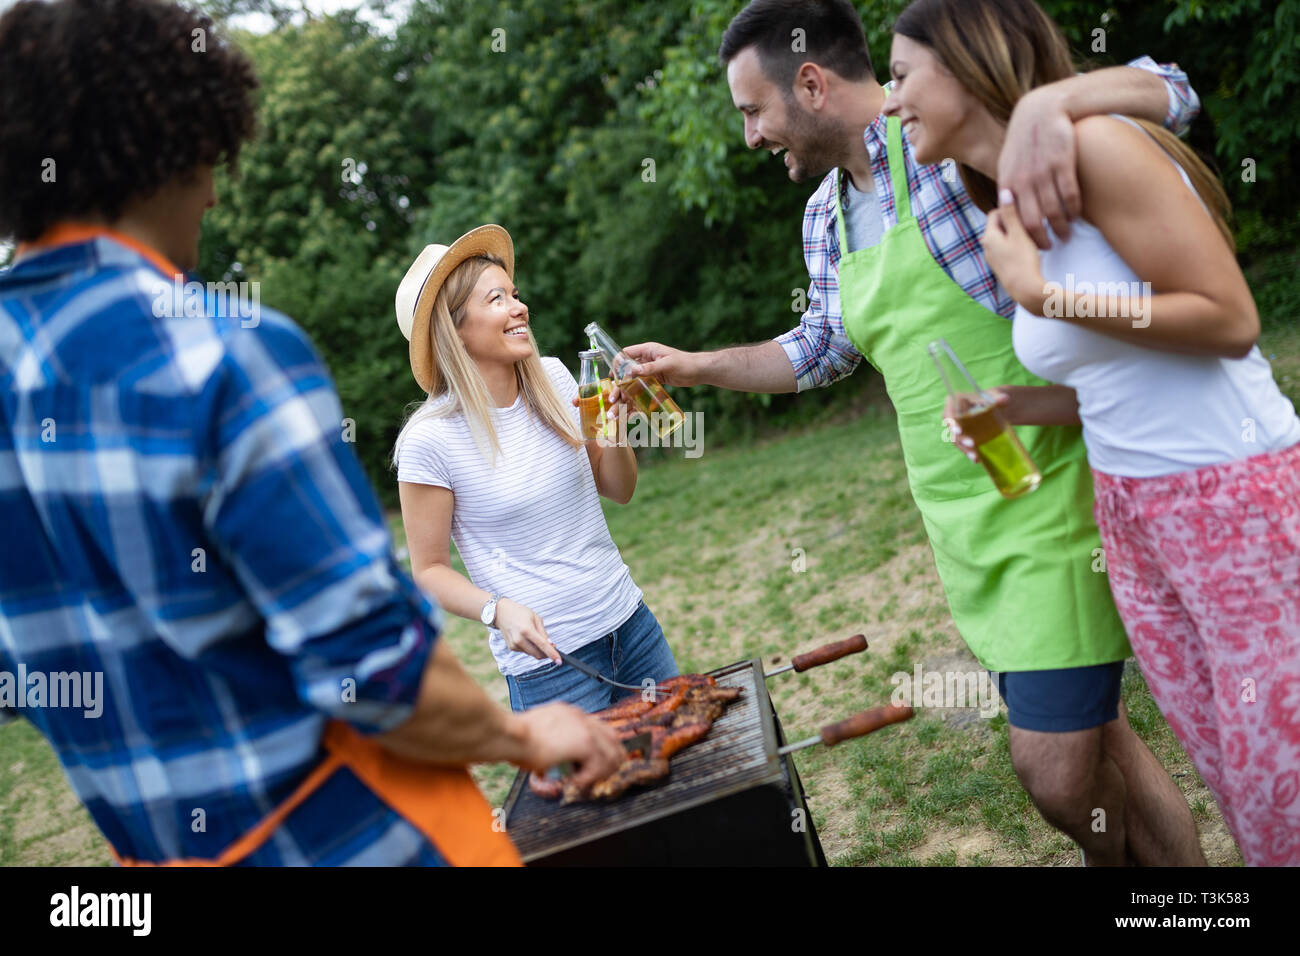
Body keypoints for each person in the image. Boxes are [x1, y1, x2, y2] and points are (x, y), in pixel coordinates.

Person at [0, 0, 622, 867]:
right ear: (172, 139)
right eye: (212, 158)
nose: (215, 192)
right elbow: (372, 668)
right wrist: (521, 734)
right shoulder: (220, 351)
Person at [624, 0, 1207, 864]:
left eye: (754, 110)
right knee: (1105, 739)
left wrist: (1051, 108)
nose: (750, 135)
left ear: (811, 83)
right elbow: (822, 347)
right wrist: (696, 366)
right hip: (964, 524)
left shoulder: (939, 142)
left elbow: (1172, 92)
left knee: (1053, 771)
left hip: (1052, 495)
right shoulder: (824, 217)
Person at [885, 0, 1300, 866]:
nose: (890, 103)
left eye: (900, 76)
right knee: (1239, 785)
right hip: (1137, 517)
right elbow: (1121, 376)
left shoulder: (1098, 145)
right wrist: (1022, 405)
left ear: (965, 65)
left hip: (1232, 501)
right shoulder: (1012, 203)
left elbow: (1226, 319)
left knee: (1282, 790)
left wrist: (1043, 298)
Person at [393, 227, 678, 713]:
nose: (519, 307)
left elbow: (619, 489)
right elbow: (428, 571)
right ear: (455, 328)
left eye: (515, 295)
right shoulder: (429, 440)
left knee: (688, 773)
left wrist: (613, 431)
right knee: (597, 791)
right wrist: (496, 610)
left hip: (630, 624)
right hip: (551, 665)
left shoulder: (556, 378)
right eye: (497, 298)